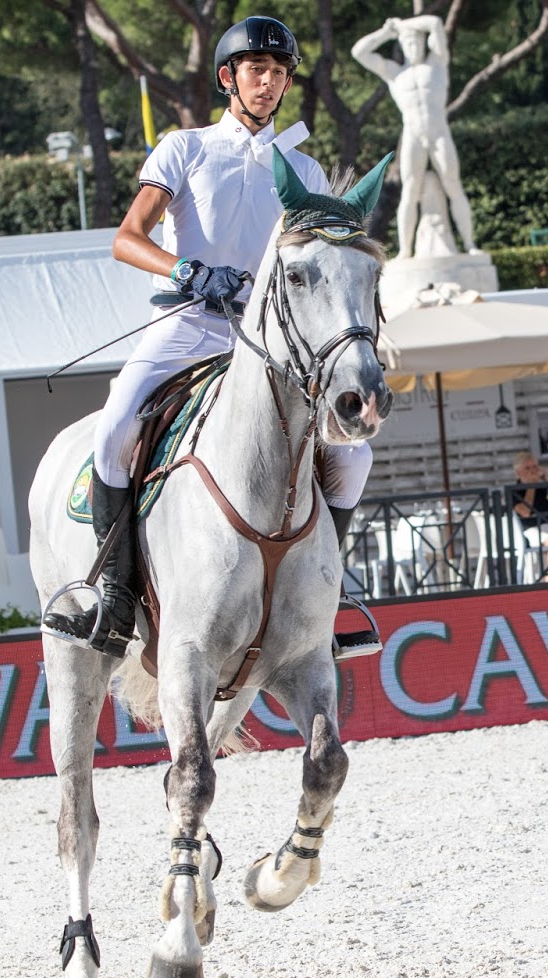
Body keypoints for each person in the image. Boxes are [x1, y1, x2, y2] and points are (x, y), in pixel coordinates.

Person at [42, 16, 374, 656]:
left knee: (352, 455)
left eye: (279, 73)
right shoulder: (184, 149)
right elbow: (127, 238)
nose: (270, 83)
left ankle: (324, 594)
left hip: (269, 344)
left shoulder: (301, 166)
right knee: (114, 429)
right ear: (229, 78)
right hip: (190, 324)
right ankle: (114, 596)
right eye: (257, 71)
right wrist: (188, 269)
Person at [351, 14, 479, 257]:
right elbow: (359, 52)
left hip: (439, 131)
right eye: (408, 43)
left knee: (453, 185)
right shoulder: (395, 74)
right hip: (413, 134)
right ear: (402, 46)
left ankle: (470, 244)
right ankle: (406, 251)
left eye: (417, 41)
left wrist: (403, 26)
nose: (414, 46)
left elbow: (434, 24)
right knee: (409, 191)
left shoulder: (437, 63)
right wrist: (387, 32)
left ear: (424, 43)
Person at [512, 451, 548, 581]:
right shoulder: (514, 491)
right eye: (528, 468)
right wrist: (531, 487)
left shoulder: (544, 488)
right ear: (518, 472)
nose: (532, 471)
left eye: (535, 467)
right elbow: (525, 512)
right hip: (530, 530)